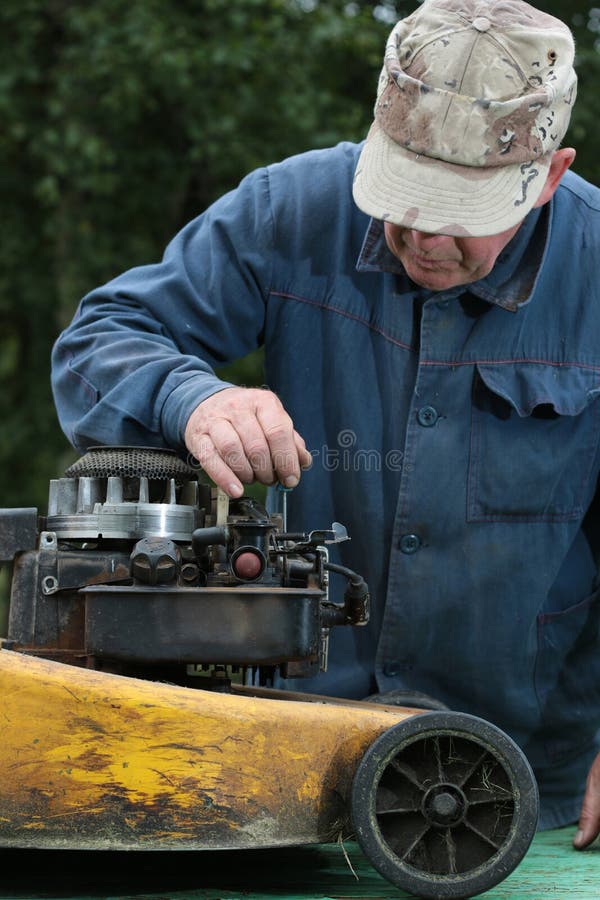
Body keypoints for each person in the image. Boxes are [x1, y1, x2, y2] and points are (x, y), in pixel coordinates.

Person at [51, 0, 600, 847]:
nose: (422, 239)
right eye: (404, 199)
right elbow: (98, 341)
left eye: (459, 217)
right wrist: (193, 398)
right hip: (280, 768)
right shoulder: (292, 211)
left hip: (528, 792)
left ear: (551, 175)